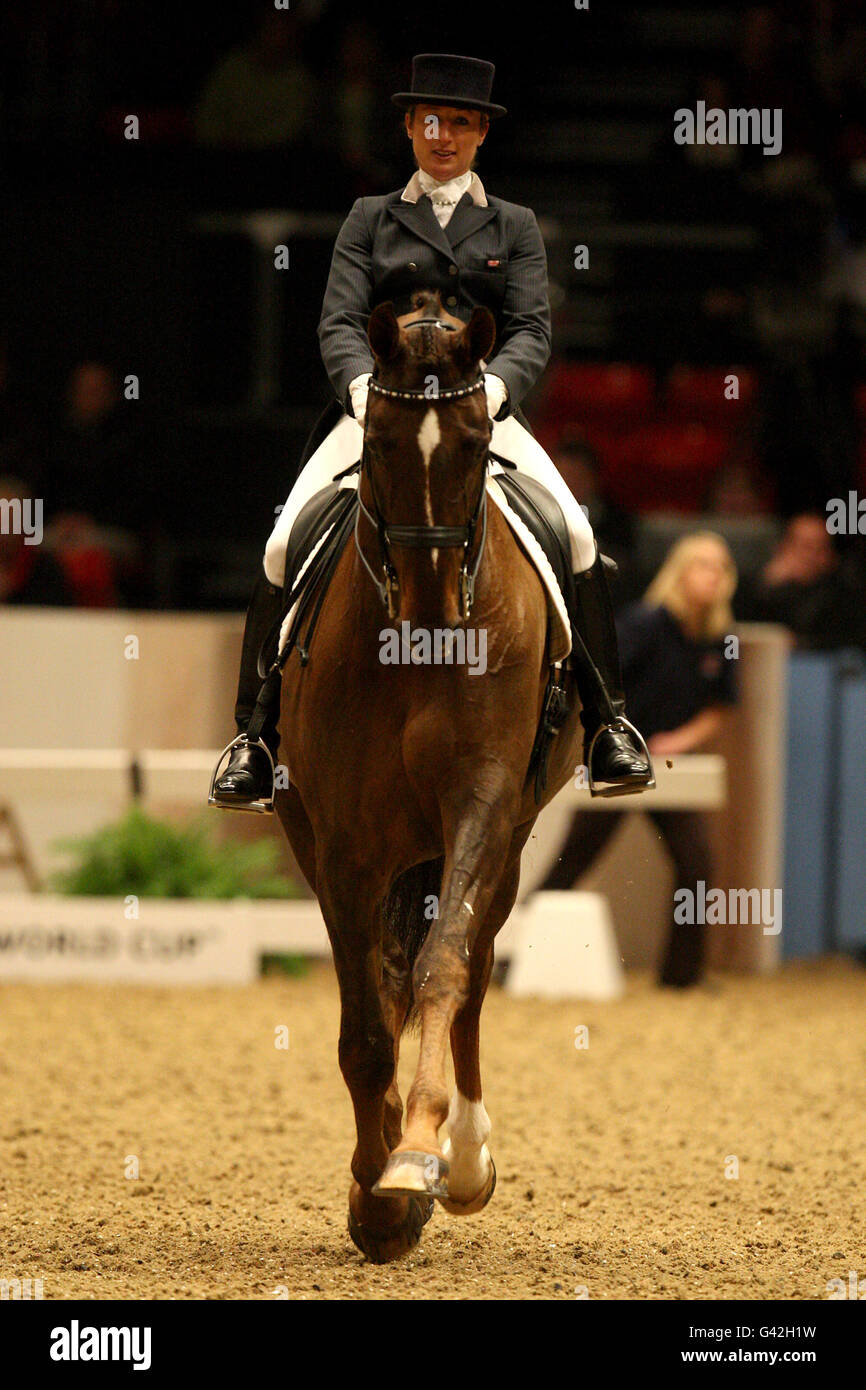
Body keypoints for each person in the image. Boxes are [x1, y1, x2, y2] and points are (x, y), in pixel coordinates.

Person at [212, 54, 653, 808]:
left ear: (480, 132)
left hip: (478, 416)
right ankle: (255, 736)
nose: (441, 134)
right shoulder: (368, 217)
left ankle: (609, 723)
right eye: (428, 121)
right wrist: (364, 393)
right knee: (283, 541)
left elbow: (530, 332)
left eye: (457, 122)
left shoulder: (513, 226)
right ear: (410, 127)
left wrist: (489, 393)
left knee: (575, 537)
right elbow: (340, 321)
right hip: (382, 414)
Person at [538, 532, 740, 988]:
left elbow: (720, 707)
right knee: (574, 860)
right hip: (621, 759)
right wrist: (615, 740)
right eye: (704, 564)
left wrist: (679, 741)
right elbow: (603, 683)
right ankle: (517, 954)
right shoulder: (645, 624)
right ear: (681, 571)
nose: (714, 576)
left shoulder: (722, 639)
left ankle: (682, 977)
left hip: (668, 772)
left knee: (696, 865)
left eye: (722, 567)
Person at [741, 512, 864, 650]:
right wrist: (768, 585)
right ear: (781, 548)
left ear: (831, 555)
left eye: (820, 548)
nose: (810, 556)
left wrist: (800, 642)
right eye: (805, 547)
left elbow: (848, 641)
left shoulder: (845, 592)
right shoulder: (760, 586)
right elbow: (743, 631)